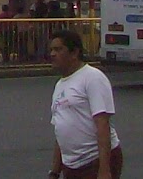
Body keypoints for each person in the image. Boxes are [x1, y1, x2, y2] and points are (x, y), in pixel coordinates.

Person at [48, 29, 123, 179]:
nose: (52, 54)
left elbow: (102, 124)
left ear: (74, 52)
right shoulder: (60, 85)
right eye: (51, 50)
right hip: (72, 166)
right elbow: (60, 131)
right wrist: (55, 171)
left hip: (94, 161)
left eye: (58, 49)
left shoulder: (92, 77)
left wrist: (104, 170)